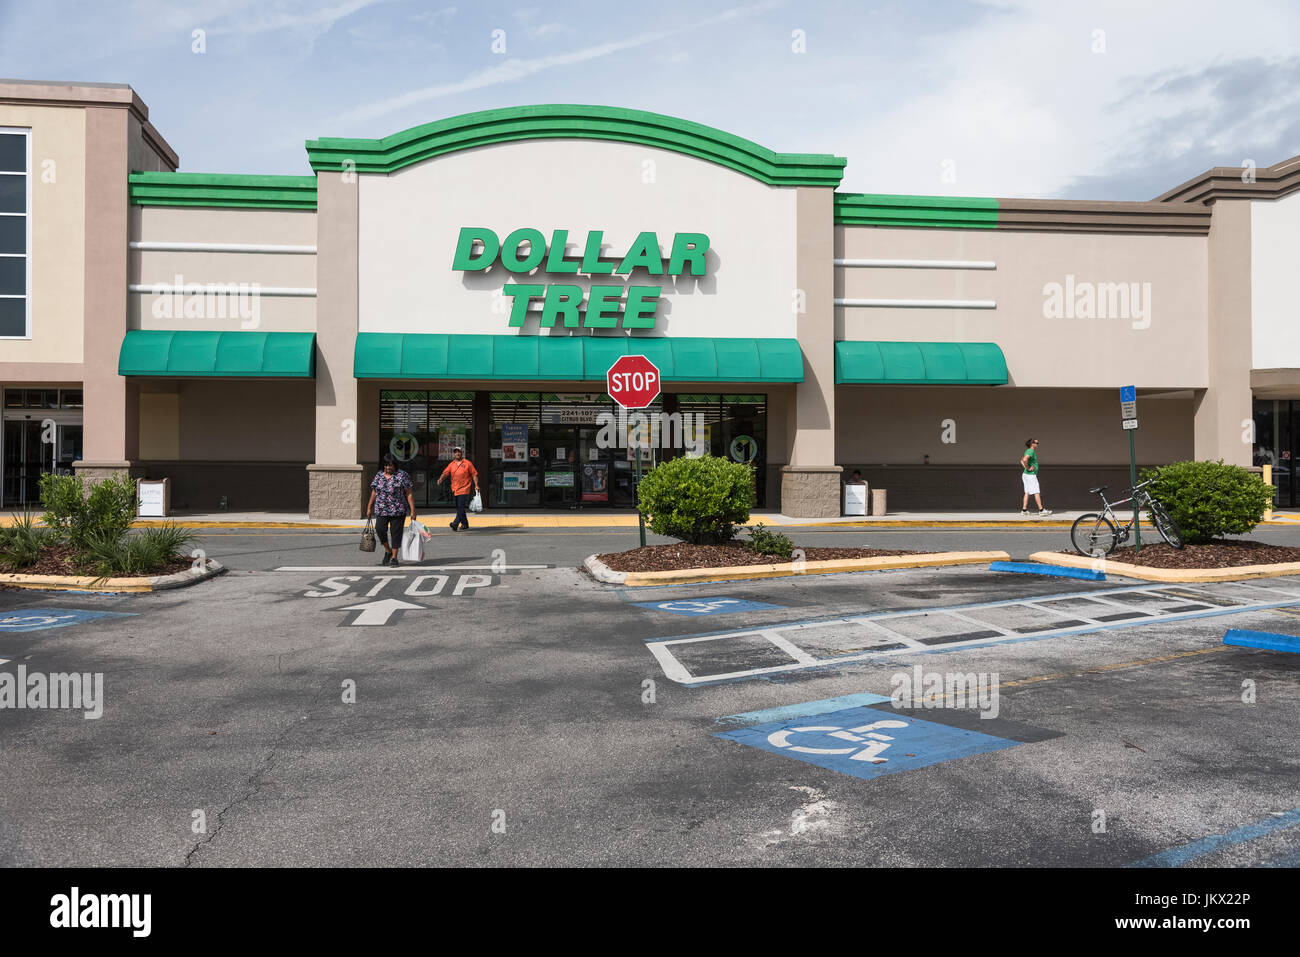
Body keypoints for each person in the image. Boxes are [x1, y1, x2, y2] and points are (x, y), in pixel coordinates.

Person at [366, 453, 416, 566]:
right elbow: (374, 492)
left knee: (396, 534)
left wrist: (413, 510)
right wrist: (369, 507)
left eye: (391, 465)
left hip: (398, 510)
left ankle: (394, 557)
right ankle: (387, 550)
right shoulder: (379, 475)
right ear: (383, 466)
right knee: (379, 529)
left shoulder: (402, 475)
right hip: (381, 509)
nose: (389, 468)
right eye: (387, 465)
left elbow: (409, 494)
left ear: (395, 465)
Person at [438, 445, 480, 531]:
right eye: (455, 452)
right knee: (459, 507)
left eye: (458, 452)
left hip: (464, 489)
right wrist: (440, 479)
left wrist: (476, 485)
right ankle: (465, 524)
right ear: (454, 454)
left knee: (460, 506)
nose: (457, 453)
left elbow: (474, 474)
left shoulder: (467, 463)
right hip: (455, 489)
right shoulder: (451, 464)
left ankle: (455, 523)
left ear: (461, 453)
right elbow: (445, 473)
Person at [1020, 438, 1052, 516]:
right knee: (1036, 491)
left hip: (1026, 475)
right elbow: (1024, 460)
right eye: (1036, 442)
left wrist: (1025, 468)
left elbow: (1021, 460)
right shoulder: (1030, 451)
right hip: (1030, 475)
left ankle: (1024, 510)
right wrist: (1028, 468)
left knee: (1027, 492)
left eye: (1038, 442)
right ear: (1032, 444)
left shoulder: (1028, 451)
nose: (1037, 444)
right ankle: (1041, 510)